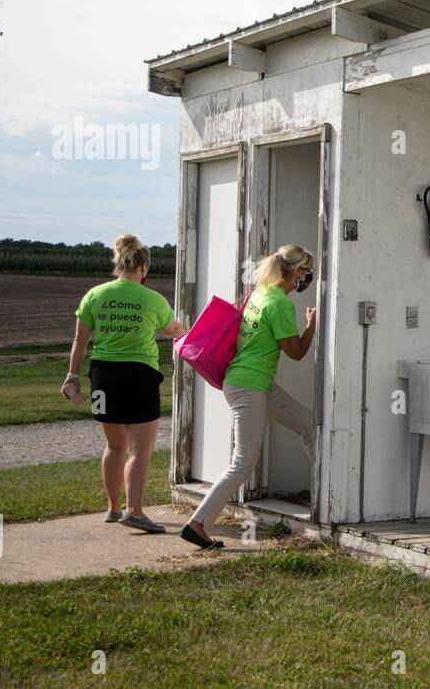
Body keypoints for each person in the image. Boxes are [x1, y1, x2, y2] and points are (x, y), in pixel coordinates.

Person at [181, 244, 317, 549]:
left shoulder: (260, 292)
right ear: (295, 272)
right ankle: (197, 524)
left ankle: (325, 492)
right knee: (243, 462)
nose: (307, 279)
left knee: (309, 424)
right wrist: (311, 326)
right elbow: (295, 352)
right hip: (249, 387)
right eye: (306, 272)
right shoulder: (279, 303)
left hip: (254, 384)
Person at [64, 234, 183, 532]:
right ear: (143, 266)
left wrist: (73, 376)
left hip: (103, 375)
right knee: (141, 449)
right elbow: (174, 330)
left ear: (118, 264)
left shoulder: (95, 295)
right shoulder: (153, 299)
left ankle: (113, 508)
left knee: (115, 446)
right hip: (139, 375)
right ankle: (136, 511)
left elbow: (80, 339)